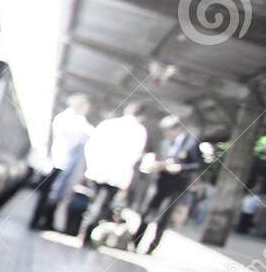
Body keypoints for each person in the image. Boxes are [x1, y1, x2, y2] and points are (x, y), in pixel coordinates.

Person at [77, 103, 148, 249]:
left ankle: (83, 231)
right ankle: (88, 235)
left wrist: (90, 165)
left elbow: (91, 145)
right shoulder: (139, 131)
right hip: (117, 176)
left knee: (94, 202)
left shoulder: (108, 124)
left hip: (98, 170)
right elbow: (135, 156)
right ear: (142, 116)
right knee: (102, 205)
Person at [136, 115, 203, 253]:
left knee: (164, 216)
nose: (166, 135)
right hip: (160, 182)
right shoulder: (165, 142)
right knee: (147, 211)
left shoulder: (191, 144)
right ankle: (135, 241)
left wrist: (180, 168)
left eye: (168, 131)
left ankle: (152, 247)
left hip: (177, 184)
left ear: (177, 129)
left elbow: (198, 165)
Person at [32, 94, 93, 229]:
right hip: (59, 162)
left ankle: (46, 222)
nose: (87, 110)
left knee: (54, 193)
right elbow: (86, 133)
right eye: (86, 107)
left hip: (61, 162)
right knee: (51, 193)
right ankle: (38, 221)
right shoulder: (69, 119)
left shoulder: (69, 119)